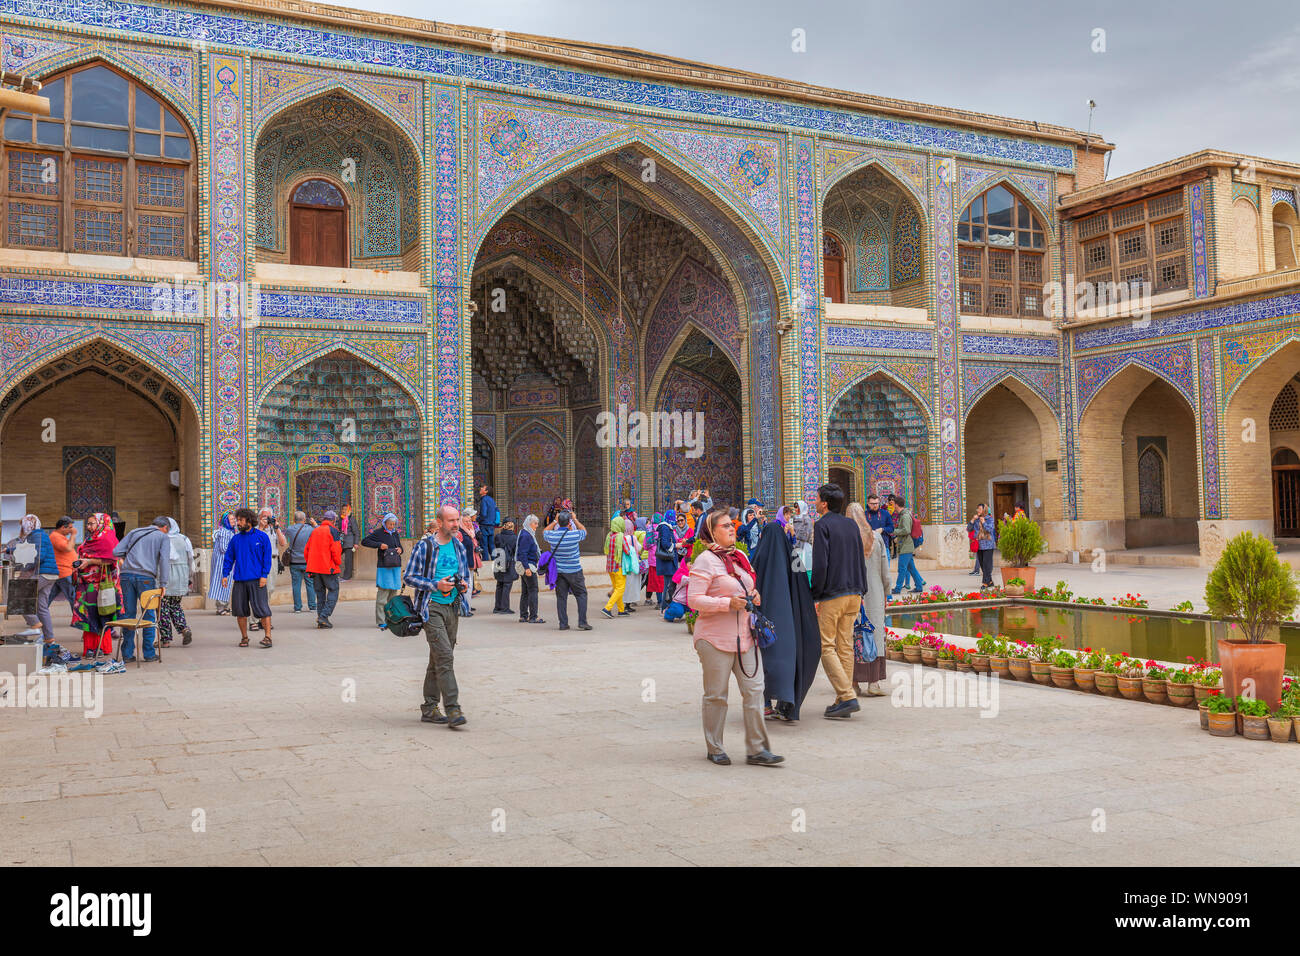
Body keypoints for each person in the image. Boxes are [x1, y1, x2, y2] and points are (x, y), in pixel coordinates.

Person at [687, 509, 783, 767]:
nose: (732, 528)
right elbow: (693, 600)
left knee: (754, 691)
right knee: (716, 695)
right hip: (715, 639)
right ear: (712, 531)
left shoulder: (739, 556)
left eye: (733, 525)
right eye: (726, 525)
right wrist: (726, 603)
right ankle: (715, 747)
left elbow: (748, 585)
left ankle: (758, 750)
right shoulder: (705, 560)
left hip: (745, 636)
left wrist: (755, 595)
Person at [404, 507, 469, 728]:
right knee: (445, 657)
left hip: (453, 606)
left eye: (457, 520)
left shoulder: (459, 545)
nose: (455, 524)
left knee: (438, 657)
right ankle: (453, 709)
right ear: (439, 522)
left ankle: (429, 707)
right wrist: (435, 585)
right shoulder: (425, 546)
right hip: (431, 607)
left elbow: (464, 572)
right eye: (451, 520)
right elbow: (409, 577)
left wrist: (463, 584)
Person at [752, 520, 820, 721]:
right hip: (789, 619)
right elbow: (802, 587)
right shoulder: (793, 556)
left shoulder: (758, 556)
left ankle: (765, 704)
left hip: (764, 623)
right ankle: (787, 703)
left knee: (764, 661)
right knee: (788, 660)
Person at [811, 483, 867, 720]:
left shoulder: (822, 525)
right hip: (854, 592)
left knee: (826, 646)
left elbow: (821, 564)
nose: (814, 501)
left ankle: (847, 695)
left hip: (833, 594)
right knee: (845, 645)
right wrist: (862, 589)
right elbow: (860, 556)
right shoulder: (851, 524)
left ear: (824, 503)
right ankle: (842, 700)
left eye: (816, 498)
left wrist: (815, 593)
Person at [113, 516, 171, 663]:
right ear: (165, 527)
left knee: (129, 615)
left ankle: (127, 654)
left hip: (126, 576)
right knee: (149, 615)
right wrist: (163, 583)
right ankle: (149, 653)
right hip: (146, 577)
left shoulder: (135, 532)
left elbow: (116, 551)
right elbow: (164, 560)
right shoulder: (162, 537)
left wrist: (129, 560)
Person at [69, 512, 123, 670]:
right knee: (88, 615)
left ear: (100, 523)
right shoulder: (90, 539)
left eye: (92, 523)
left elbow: (111, 559)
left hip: (100, 584)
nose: (89, 526)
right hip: (86, 584)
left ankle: (101, 648)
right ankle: (90, 648)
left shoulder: (107, 538)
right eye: (88, 524)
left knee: (100, 614)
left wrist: (89, 561)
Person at [848, 503, 891, 697]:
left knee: (854, 635)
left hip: (852, 592)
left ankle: (854, 683)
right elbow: (885, 570)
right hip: (874, 592)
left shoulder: (847, 539)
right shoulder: (877, 537)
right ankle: (873, 683)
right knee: (874, 633)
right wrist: (886, 592)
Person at [221, 507, 273, 648]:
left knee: (263, 609)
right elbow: (228, 558)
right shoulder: (235, 539)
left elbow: (267, 559)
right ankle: (244, 637)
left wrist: (264, 576)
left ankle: (268, 637)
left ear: (249, 521)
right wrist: (225, 575)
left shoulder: (262, 537)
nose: (238, 523)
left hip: (257, 580)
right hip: (239, 581)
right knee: (240, 612)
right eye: (237, 520)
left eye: (240, 520)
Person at [4, 514, 59, 644]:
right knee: (42, 607)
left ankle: (34, 625)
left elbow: (38, 556)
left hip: (43, 573)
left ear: (27, 526)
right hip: (50, 574)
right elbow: (27, 549)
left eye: (22, 527)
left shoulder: (37, 536)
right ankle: (49, 639)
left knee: (17, 595)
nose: (21, 530)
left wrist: (24, 567)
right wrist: (9, 549)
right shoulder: (38, 535)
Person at [542, 510, 591, 631]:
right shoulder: (574, 535)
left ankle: (563, 623)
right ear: (569, 522)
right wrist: (575, 519)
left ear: (559, 522)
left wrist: (554, 521)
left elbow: (544, 532)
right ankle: (582, 622)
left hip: (560, 572)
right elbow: (584, 531)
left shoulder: (552, 536)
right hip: (574, 571)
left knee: (561, 597)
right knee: (581, 595)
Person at [361, 513, 404, 629]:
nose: (392, 526)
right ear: (384, 523)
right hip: (384, 567)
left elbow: (400, 546)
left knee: (393, 594)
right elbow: (364, 541)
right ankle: (381, 620)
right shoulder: (379, 533)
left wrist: (401, 549)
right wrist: (379, 545)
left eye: (394, 524)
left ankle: (390, 618)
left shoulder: (395, 533)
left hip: (395, 565)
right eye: (390, 524)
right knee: (383, 594)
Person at [157, 518, 194, 648]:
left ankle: (165, 639)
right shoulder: (184, 539)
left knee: (163, 608)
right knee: (176, 606)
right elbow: (191, 559)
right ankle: (184, 628)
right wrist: (190, 576)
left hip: (165, 577)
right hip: (180, 576)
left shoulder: (161, 538)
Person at [305, 510, 343, 628]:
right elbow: (336, 551)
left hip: (315, 568)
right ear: (333, 520)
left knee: (320, 594)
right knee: (333, 591)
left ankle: (321, 619)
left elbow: (306, 550)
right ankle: (324, 616)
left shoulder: (315, 531)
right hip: (328, 567)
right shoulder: (333, 531)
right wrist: (338, 563)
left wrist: (311, 564)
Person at [251, 509, 286, 632]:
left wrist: (277, 529)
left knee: (269, 590)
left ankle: (263, 619)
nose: (266, 519)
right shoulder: (255, 529)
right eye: (264, 516)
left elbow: (283, 543)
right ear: (259, 517)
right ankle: (254, 620)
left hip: (272, 561)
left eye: (269, 517)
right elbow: (252, 542)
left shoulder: (274, 529)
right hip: (259, 562)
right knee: (258, 591)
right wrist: (261, 526)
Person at [890, 495, 926, 595]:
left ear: (897, 505)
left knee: (902, 568)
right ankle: (919, 586)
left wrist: (894, 531)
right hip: (906, 545)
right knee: (911, 568)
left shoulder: (905, 516)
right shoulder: (904, 514)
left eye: (894, 505)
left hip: (906, 546)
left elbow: (906, 530)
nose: (893, 507)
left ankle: (897, 588)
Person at [284, 511, 316, 613]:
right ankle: (312, 606)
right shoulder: (310, 529)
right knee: (310, 584)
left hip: (294, 562)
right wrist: (314, 524)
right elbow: (319, 531)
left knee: (296, 585)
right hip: (307, 562)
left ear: (294, 519)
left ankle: (297, 607)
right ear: (304, 519)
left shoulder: (290, 529)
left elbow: (285, 533)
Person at [602, 515, 633, 618]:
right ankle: (607, 608)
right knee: (620, 589)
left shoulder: (609, 535)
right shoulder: (621, 537)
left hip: (610, 567)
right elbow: (627, 551)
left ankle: (621, 610)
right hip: (618, 567)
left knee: (616, 588)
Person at [515, 514, 544, 624]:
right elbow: (522, 553)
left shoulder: (525, 533)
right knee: (533, 590)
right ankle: (533, 616)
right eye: (535, 523)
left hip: (526, 565)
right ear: (529, 523)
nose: (536, 526)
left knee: (526, 591)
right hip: (528, 566)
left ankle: (523, 615)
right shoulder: (526, 535)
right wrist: (527, 568)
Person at [49, 517, 78, 615]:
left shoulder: (59, 536)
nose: (71, 530)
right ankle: (78, 618)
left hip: (63, 572)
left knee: (49, 596)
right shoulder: (55, 536)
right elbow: (68, 548)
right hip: (64, 572)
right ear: (62, 527)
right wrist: (73, 535)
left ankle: (37, 617)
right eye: (69, 528)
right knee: (72, 596)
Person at [209, 513, 234, 614]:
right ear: (226, 521)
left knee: (226, 584)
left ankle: (224, 606)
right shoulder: (224, 532)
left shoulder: (229, 531)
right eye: (231, 519)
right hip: (222, 562)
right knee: (221, 584)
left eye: (234, 519)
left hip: (227, 561)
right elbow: (224, 548)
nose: (234, 521)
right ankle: (220, 608)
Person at [654, 510, 680, 609]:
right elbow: (665, 544)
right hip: (668, 561)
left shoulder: (667, 527)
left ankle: (665, 607)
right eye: (675, 516)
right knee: (668, 585)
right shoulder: (665, 528)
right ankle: (665, 607)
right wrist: (675, 545)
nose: (676, 519)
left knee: (668, 585)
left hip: (669, 561)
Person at [491, 518, 517, 615]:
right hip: (509, 562)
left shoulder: (498, 536)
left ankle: (497, 607)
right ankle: (505, 608)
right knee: (507, 585)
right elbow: (515, 551)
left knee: (499, 584)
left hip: (499, 560)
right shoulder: (514, 537)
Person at [457, 511, 480, 615]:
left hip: (471, 563)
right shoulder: (460, 533)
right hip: (463, 564)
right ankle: (464, 609)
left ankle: (467, 607)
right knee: (466, 586)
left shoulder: (470, 532)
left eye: (469, 521)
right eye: (466, 521)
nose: (468, 523)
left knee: (469, 586)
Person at [969, 503, 997, 589]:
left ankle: (985, 582)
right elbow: (969, 529)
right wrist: (972, 520)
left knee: (986, 564)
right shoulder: (976, 519)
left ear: (984, 510)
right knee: (981, 564)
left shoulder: (989, 519)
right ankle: (990, 581)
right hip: (979, 545)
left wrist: (984, 522)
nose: (978, 510)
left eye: (980, 509)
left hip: (988, 545)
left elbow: (989, 529)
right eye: (977, 509)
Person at [865, 494, 894, 568]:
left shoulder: (885, 513)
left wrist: (883, 529)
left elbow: (891, 528)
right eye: (872, 504)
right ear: (868, 503)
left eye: (876, 503)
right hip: (869, 548)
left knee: (885, 571)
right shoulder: (864, 515)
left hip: (884, 546)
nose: (875, 505)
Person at [477, 484, 500, 567]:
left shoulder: (484, 500)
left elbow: (483, 513)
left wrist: (477, 519)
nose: (480, 488)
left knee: (484, 544)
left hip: (484, 525)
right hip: (491, 525)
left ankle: (486, 563)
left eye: (482, 488)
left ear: (486, 491)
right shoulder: (492, 500)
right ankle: (495, 562)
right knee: (491, 544)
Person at [338, 504, 357, 581]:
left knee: (348, 561)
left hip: (349, 543)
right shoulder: (341, 519)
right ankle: (335, 575)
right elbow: (340, 530)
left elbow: (356, 532)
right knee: (336, 557)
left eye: (345, 509)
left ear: (349, 510)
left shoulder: (351, 519)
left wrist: (355, 543)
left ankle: (347, 577)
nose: (344, 511)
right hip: (341, 542)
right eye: (343, 509)